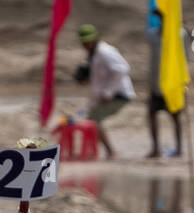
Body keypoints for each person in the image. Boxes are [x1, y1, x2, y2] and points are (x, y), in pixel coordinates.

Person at [75, 24, 133, 160]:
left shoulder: (105, 51)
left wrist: (108, 92)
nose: (86, 45)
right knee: (92, 119)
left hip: (118, 94)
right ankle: (97, 151)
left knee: (93, 120)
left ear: (95, 39)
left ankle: (110, 152)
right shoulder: (93, 54)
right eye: (84, 43)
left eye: (88, 42)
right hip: (107, 94)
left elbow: (121, 69)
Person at [145, 0, 185, 159]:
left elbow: (184, 60)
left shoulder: (180, 36)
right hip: (156, 84)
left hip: (173, 84)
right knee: (151, 114)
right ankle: (155, 149)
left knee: (175, 117)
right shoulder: (153, 35)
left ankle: (179, 148)